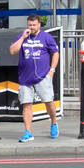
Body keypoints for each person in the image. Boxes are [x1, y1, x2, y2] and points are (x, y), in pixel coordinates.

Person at [9, 14, 60, 142]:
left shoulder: (46, 37)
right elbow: (12, 51)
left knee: (48, 102)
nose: (31, 27)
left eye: (34, 25)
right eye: (29, 25)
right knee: (26, 104)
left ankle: (54, 122)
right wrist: (22, 38)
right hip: (25, 78)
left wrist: (52, 71)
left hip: (42, 76)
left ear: (39, 25)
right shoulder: (22, 37)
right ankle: (28, 132)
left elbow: (55, 53)